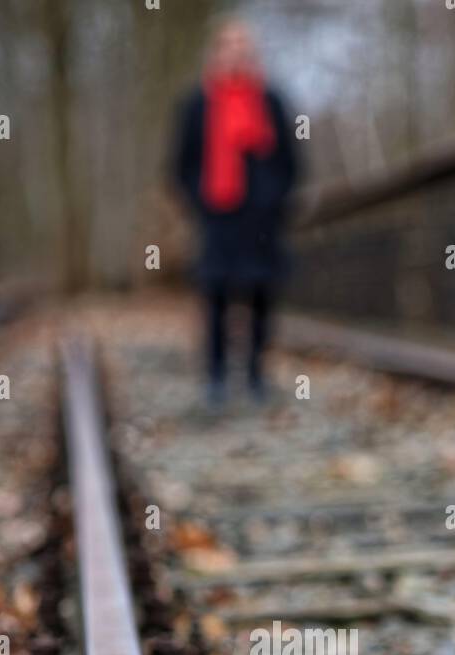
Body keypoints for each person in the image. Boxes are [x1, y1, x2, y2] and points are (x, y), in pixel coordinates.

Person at [173, 18, 299, 407]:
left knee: (262, 295)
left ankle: (257, 376)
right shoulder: (197, 104)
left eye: (243, 45)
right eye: (229, 44)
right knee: (215, 296)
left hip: (261, 219)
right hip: (218, 216)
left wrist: (274, 199)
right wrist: (202, 201)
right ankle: (215, 379)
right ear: (217, 51)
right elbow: (181, 163)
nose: (236, 52)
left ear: (252, 52)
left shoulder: (272, 102)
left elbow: (291, 161)